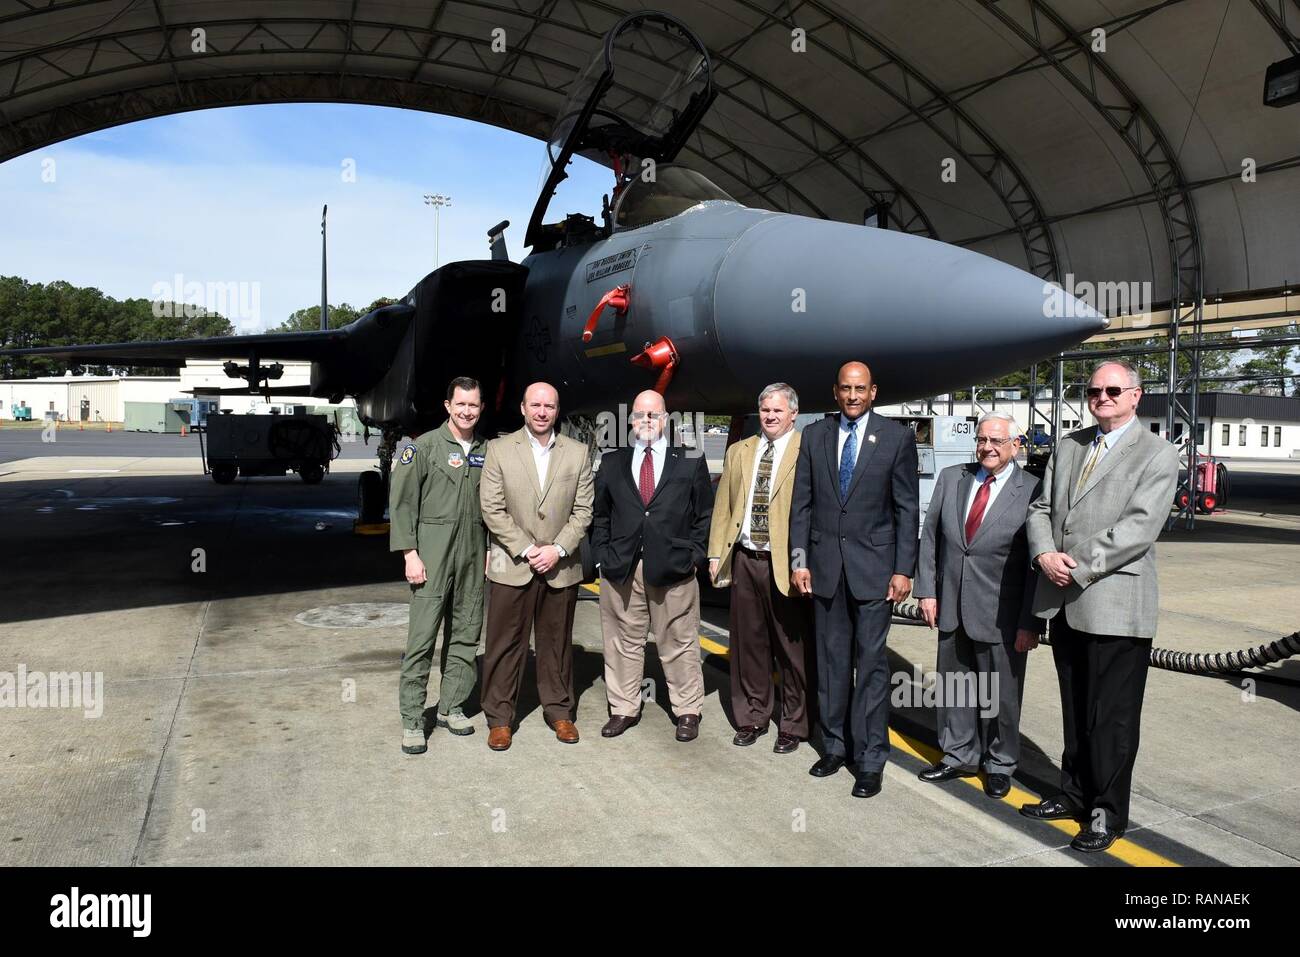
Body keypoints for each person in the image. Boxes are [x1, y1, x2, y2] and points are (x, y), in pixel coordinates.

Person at [1020, 360, 1179, 853]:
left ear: (1136, 395)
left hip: (1114, 601)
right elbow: (1040, 508)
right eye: (1094, 390)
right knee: (1074, 710)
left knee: (1110, 717)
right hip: (1065, 601)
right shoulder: (1070, 446)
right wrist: (1044, 553)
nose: (1102, 397)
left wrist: (1076, 566)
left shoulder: (1157, 454)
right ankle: (1072, 793)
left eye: (1113, 390)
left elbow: (1139, 527)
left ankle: (1107, 812)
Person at [789, 361, 919, 798]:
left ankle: (869, 759)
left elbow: (906, 509)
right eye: (845, 388)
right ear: (835, 391)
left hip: (875, 574)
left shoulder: (897, 438)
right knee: (831, 664)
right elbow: (801, 506)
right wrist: (799, 560)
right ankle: (834, 746)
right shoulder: (815, 436)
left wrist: (903, 569)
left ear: (873, 391)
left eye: (860, 389)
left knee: (872, 669)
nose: (852, 396)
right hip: (824, 571)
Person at [913, 411, 1042, 797]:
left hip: (1002, 613)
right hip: (951, 602)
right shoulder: (954, 477)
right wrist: (928, 591)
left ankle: (1000, 763)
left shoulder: (1034, 489)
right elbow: (931, 538)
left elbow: (1037, 560)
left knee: (1001, 695)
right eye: (982, 439)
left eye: (996, 441)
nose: (986, 447)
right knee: (955, 686)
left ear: (1016, 446)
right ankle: (958, 755)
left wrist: (1030, 622)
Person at [591, 390, 713, 742]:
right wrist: (602, 554)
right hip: (622, 568)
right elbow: (601, 515)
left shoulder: (689, 459)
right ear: (630, 420)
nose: (647, 421)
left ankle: (687, 709)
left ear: (665, 419)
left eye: (653, 414)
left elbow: (704, 514)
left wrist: (694, 555)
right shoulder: (613, 460)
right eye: (640, 415)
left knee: (679, 640)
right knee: (622, 642)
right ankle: (624, 708)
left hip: (674, 568)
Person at [478, 382, 594, 751]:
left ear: (557, 411)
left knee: (556, 645)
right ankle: (499, 718)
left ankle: (560, 712)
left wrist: (558, 548)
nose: (542, 412)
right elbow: (492, 509)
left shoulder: (577, 453)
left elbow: (583, 511)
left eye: (550, 406)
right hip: (512, 563)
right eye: (536, 405)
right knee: (503, 644)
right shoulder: (498, 450)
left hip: (560, 566)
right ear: (523, 408)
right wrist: (528, 548)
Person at [707, 383, 812, 752]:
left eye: (778, 411)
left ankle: (793, 724)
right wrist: (717, 553)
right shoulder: (739, 451)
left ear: (793, 414)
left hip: (785, 563)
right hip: (746, 558)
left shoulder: (807, 450)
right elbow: (724, 505)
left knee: (791, 648)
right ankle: (752, 716)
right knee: (749, 644)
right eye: (765, 410)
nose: (770, 416)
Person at [389, 377, 489, 755]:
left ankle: (452, 706)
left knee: (465, 634)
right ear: (448, 405)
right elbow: (401, 504)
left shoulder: (485, 450)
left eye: (473, 405)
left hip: (473, 554)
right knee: (422, 641)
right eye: (460, 404)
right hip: (431, 555)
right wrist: (409, 553)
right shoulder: (423, 448)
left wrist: (490, 549)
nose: (467, 411)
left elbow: (494, 505)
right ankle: (413, 720)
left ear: (481, 409)